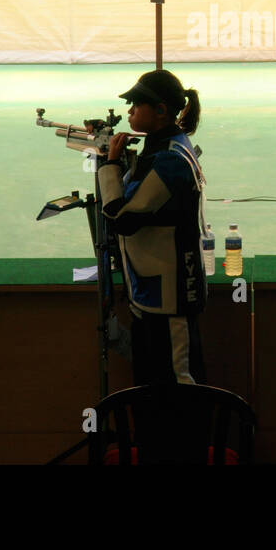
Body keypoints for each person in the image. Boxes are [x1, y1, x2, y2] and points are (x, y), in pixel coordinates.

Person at [99, 69, 207, 386]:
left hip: (169, 298)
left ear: (160, 111)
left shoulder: (170, 160)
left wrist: (109, 166)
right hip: (151, 295)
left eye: (137, 104)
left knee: (179, 390)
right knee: (152, 389)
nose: (129, 111)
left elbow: (122, 219)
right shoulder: (161, 148)